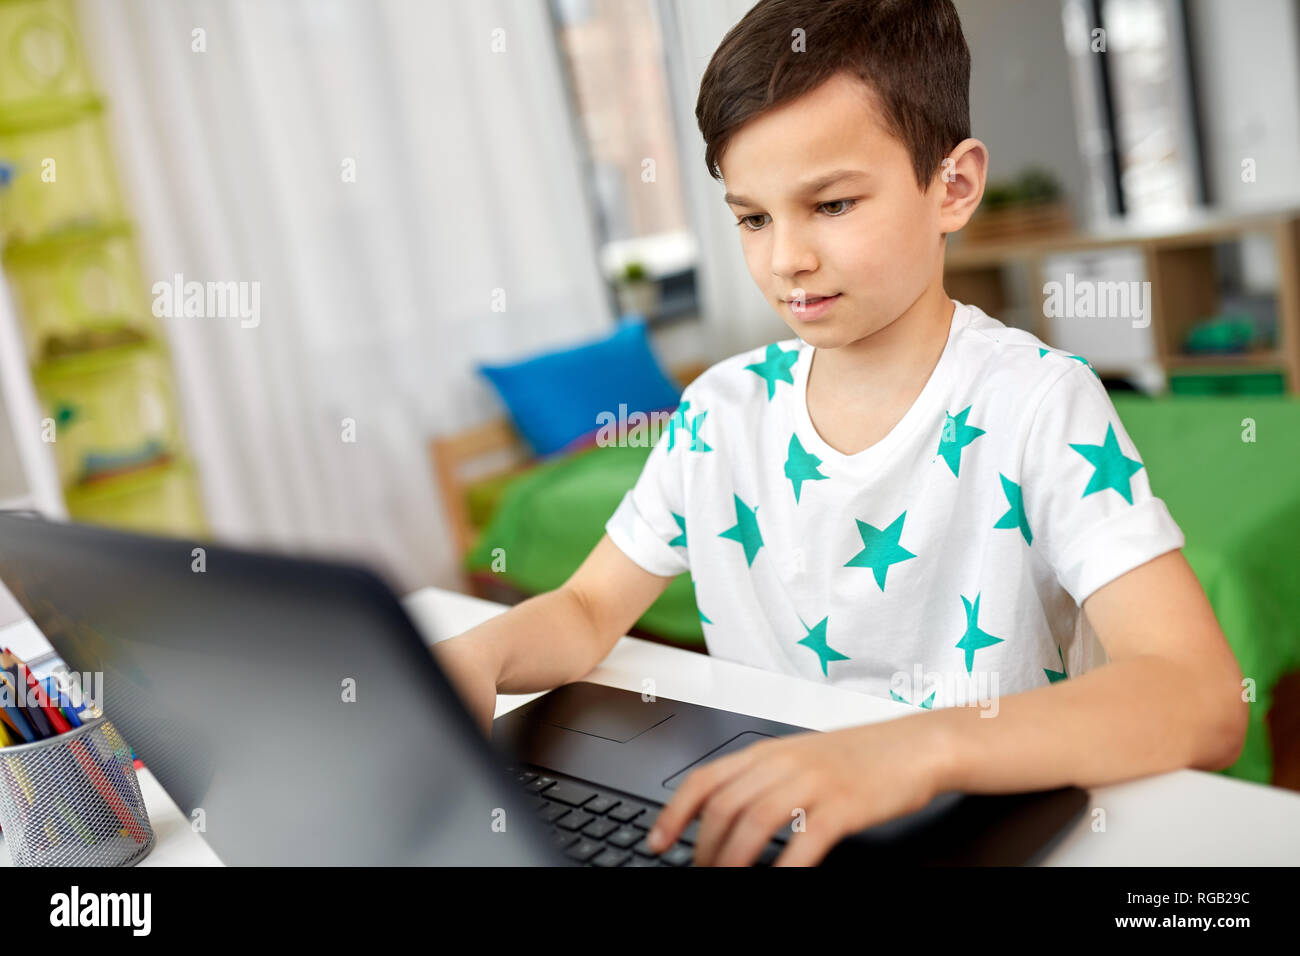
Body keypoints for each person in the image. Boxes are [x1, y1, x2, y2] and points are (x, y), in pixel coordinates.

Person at [434, 0, 1246, 866]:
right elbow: (590, 607)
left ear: (954, 186)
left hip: (966, 821)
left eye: (831, 204)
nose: (785, 258)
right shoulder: (717, 412)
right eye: (752, 217)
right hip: (771, 820)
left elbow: (1199, 697)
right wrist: (479, 653)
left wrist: (916, 747)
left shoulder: (1041, 403)